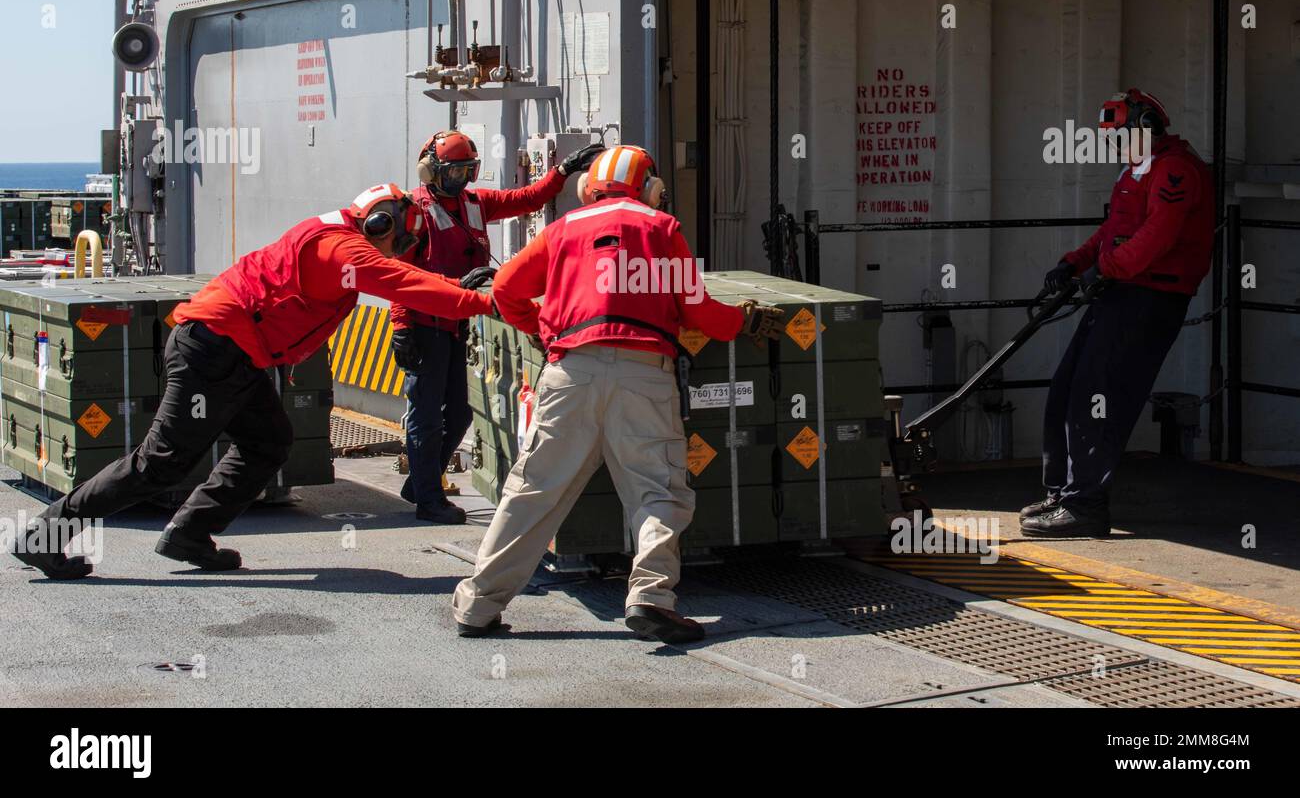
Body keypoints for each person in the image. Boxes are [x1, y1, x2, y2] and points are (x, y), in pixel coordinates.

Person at [13, 184, 495, 579]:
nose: (404, 252)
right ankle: (43, 537)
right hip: (213, 347)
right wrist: (478, 300)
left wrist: (456, 287)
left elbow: (392, 274)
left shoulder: (336, 235)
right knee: (159, 463)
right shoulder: (341, 248)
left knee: (268, 443)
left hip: (235, 352)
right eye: (402, 242)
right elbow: (398, 281)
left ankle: (191, 533)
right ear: (379, 223)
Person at [451, 144, 785, 643]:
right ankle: (651, 598)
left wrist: (543, 332)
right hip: (643, 376)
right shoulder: (661, 228)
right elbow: (697, 310)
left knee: (534, 490)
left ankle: (478, 605)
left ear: (589, 187)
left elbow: (505, 291)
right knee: (657, 490)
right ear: (650, 187)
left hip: (570, 374)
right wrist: (746, 320)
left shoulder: (562, 229)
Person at [1022, 89, 1214, 537]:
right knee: (1068, 387)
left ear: (1145, 128)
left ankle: (1085, 503)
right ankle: (1064, 493)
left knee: (1097, 395)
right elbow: (1115, 230)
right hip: (1121, 290)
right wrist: (1075, 262)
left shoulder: (1176, 171)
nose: (1114, 145)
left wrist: (1104, 268)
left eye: (1119, 135)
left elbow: (1156, 237)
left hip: (1148, 298)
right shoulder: (1138, 170)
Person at [389, 130, 596, 524]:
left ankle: (421, 481)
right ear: (431, 172)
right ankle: (429, 499)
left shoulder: (473, 204)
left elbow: (526, 199)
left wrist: (563, 171)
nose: (462, 181)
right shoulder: (415, 212)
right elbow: (399, 274)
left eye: (468, 171)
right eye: (453, 173)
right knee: (427, 416)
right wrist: (402, 326)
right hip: (425, 326)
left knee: (463, 414)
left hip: (460, 325)